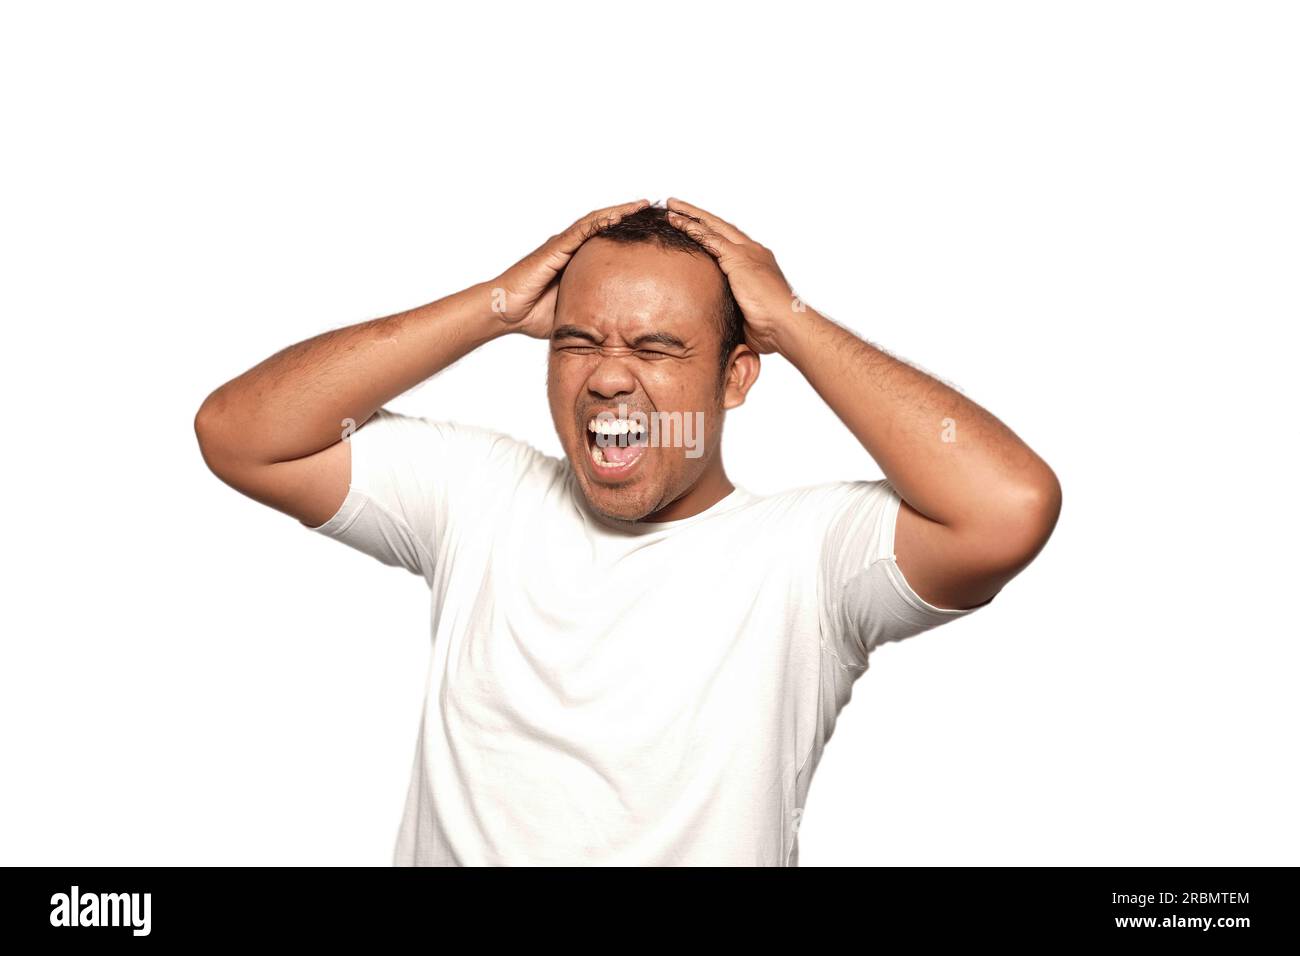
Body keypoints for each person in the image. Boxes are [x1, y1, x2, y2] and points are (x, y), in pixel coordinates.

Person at [194, 198, 1062, 866]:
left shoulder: (807, 560)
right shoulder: (480, 496)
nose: (609, 376)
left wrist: (793, 320)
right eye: (577, 343)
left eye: (656, 348)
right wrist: (493, 303)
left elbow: (1008, 507)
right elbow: (241, 433)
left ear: (736, 377)